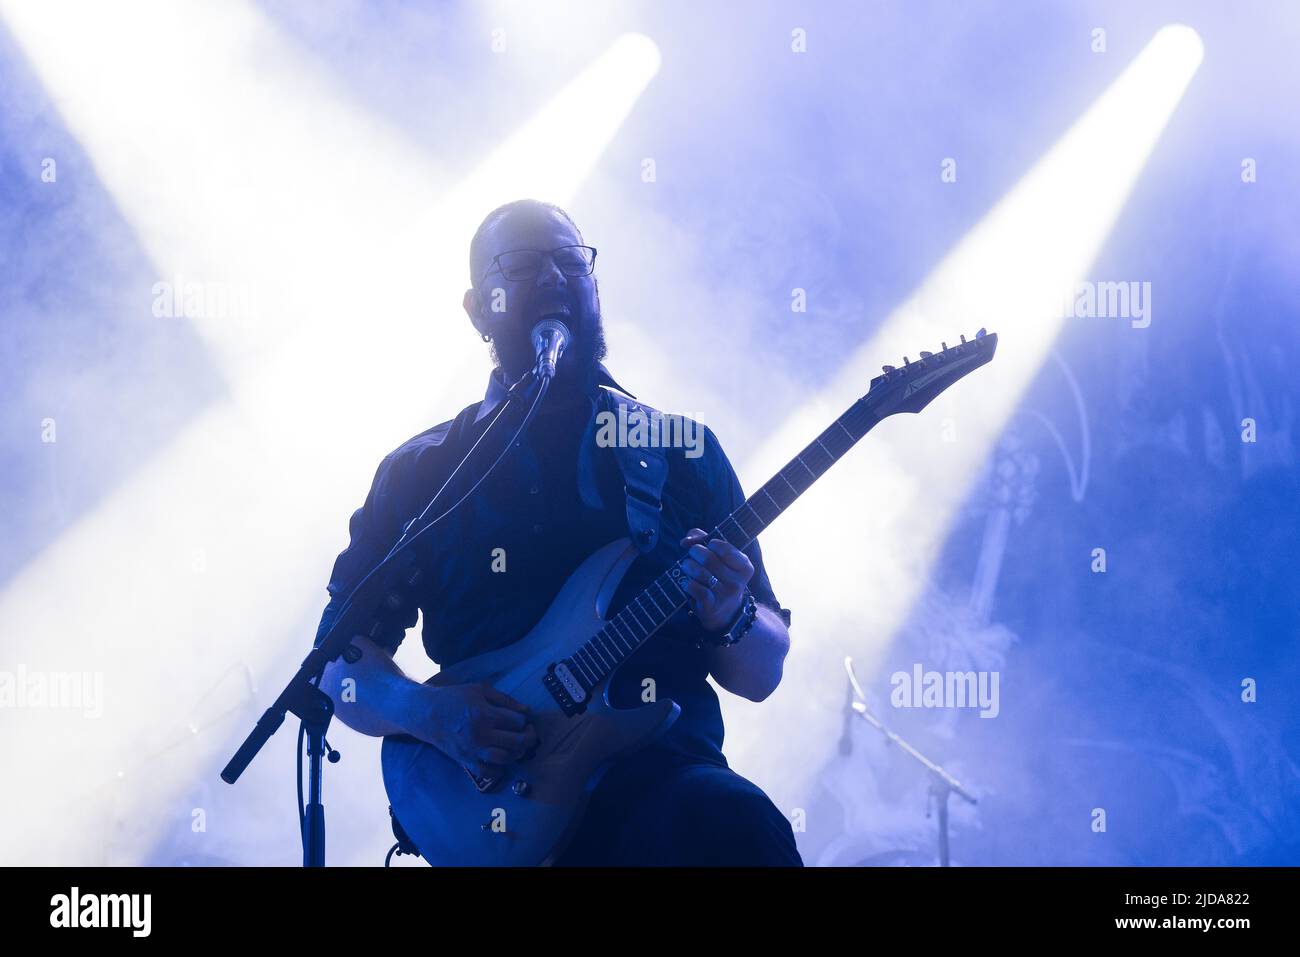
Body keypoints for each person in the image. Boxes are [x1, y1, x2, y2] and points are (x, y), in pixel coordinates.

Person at [316, 198, 802, 866]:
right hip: (492, 804)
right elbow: (338, 665)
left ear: (594, 287)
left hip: (662, 785)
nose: (551, 277)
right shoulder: (423, 471)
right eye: (519, 265)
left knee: (736, 824)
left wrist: (731, 612)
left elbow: (763, 671)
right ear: (475, 307)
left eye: (570, 261)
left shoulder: (678, 449)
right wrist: (431, 714)